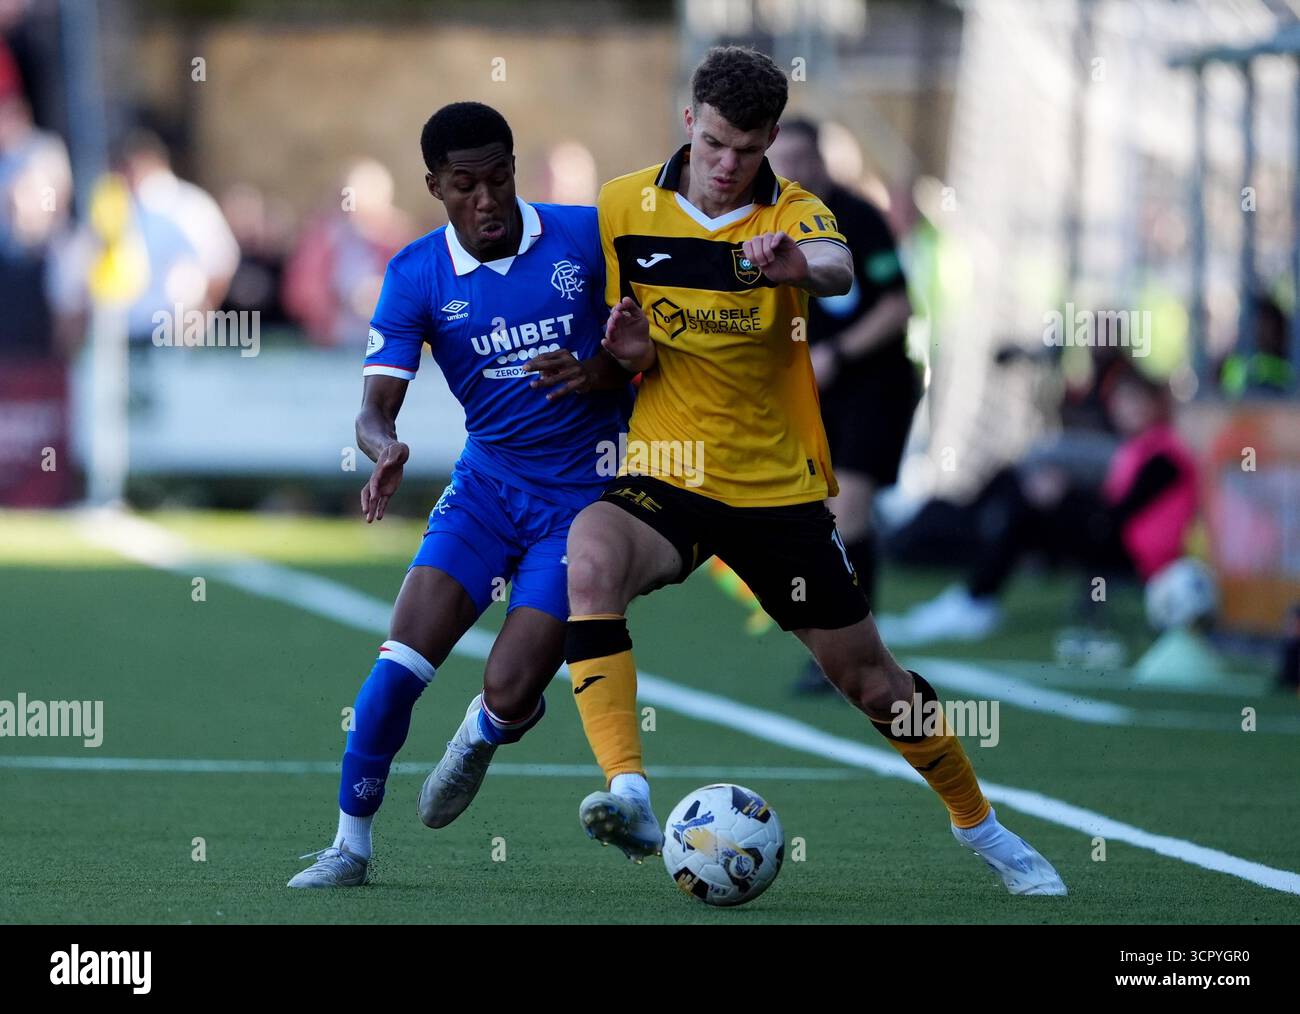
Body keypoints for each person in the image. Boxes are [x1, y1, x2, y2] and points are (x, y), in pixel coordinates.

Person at [555, 47, 1066, 894]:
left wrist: (798, 269)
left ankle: (982, 826)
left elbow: (832, 266)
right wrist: (626, 355)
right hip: (668, 471)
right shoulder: (623, 206)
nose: (728, 165)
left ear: (772, 143)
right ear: (689, 121)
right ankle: (630, 791)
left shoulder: (795, 213)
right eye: (716, 143)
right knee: (591, 555)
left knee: (872, 684)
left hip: (775, 493)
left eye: (747, 150)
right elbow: (621, 347)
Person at [288, 102, 632, 888]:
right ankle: (350, 847)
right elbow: (374, 407)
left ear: (516, 168)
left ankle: (485, 730)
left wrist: (605, 373)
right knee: (395, 673)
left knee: (509, 688)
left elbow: (647, 350)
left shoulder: (587, 237)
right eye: (464, 184)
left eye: (499, 177)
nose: (486, 199)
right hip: (483, 494)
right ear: (435, 186)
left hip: (580, 511)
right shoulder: (416, 273)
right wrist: (385, 447)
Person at [887, 362, 1198, 645]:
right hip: (1118, 541)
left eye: (1136, 402)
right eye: (1122, 401)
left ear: (1156, 405)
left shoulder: (1165, 456)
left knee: (1027, 511)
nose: (1127, 410)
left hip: (1136, 555)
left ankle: (976, 601)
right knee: (1020, 495)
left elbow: (1117, 515)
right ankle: (974, 597)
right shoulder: (1139, 449)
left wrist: (1065, 495)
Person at [766, 118, 918, 693]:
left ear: (824, 159)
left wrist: (838, 356)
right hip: (816, 391)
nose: (797, 170)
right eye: (786, 159)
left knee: (848, 510)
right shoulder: (770, 221)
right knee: (829, 516)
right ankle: (859, 648)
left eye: (806, 157)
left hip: (873, 385)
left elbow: (898, 307)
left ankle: (850, 660)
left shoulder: (859, 218)